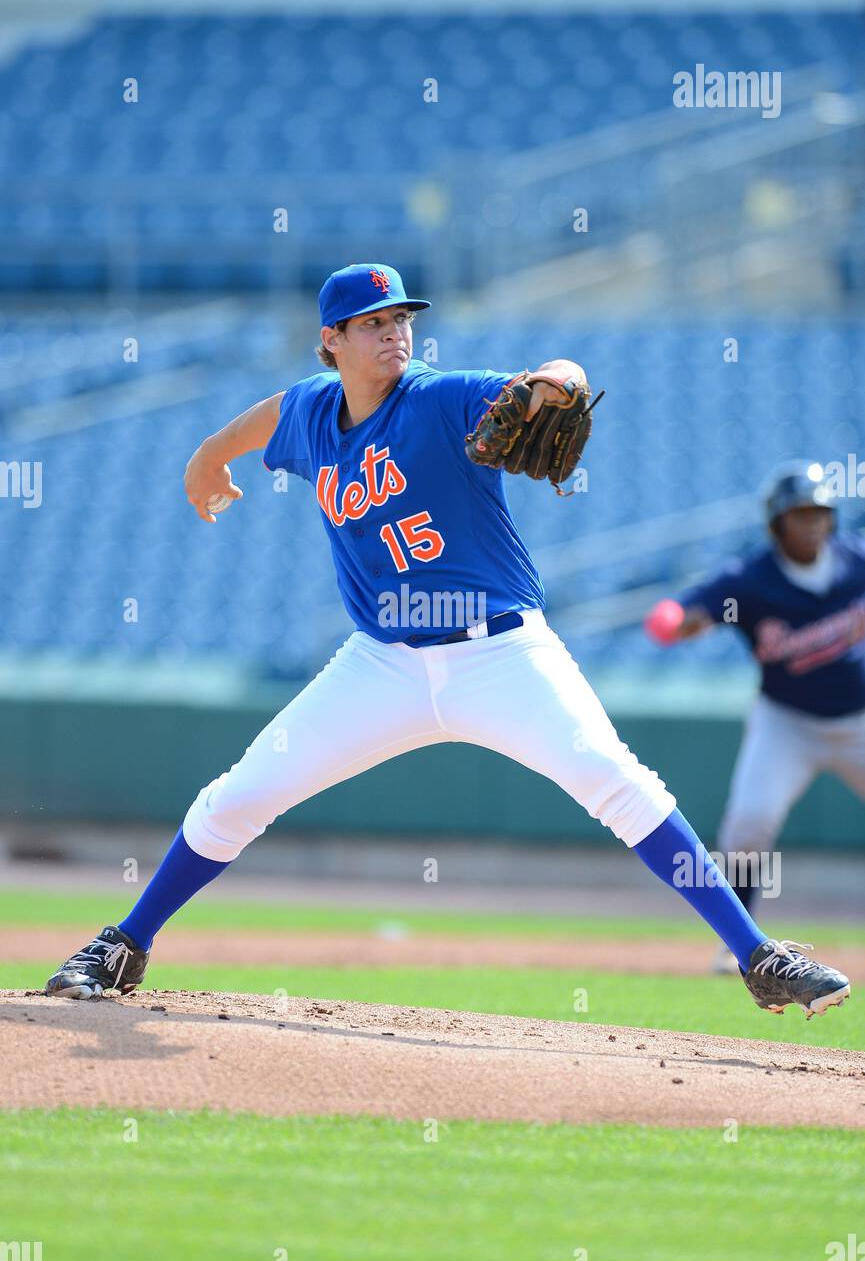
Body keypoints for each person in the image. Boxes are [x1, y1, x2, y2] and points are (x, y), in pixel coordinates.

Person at [45, 267, 850, 1020]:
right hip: (381, 664)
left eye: (400, 318)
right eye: (371, 323)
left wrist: (554, 386)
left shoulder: (439, 399)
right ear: (330, 339)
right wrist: (204, 458)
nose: (394, 333)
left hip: (501, 654)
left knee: (618, 782)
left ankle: (756, 955)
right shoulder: (310, 412)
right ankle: (124, 943)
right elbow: (259, 422)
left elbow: (556, 375)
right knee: (243, 794)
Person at [645, 461, 865, 973]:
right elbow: (689, 610)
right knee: (749, 823)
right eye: (799, 515)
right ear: (776, 524)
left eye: (819, 513)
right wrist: (682, 622)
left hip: (858, 719)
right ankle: (741, 943)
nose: (811, 523)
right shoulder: (749, 579)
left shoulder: (856, 560)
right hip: (786, 723)